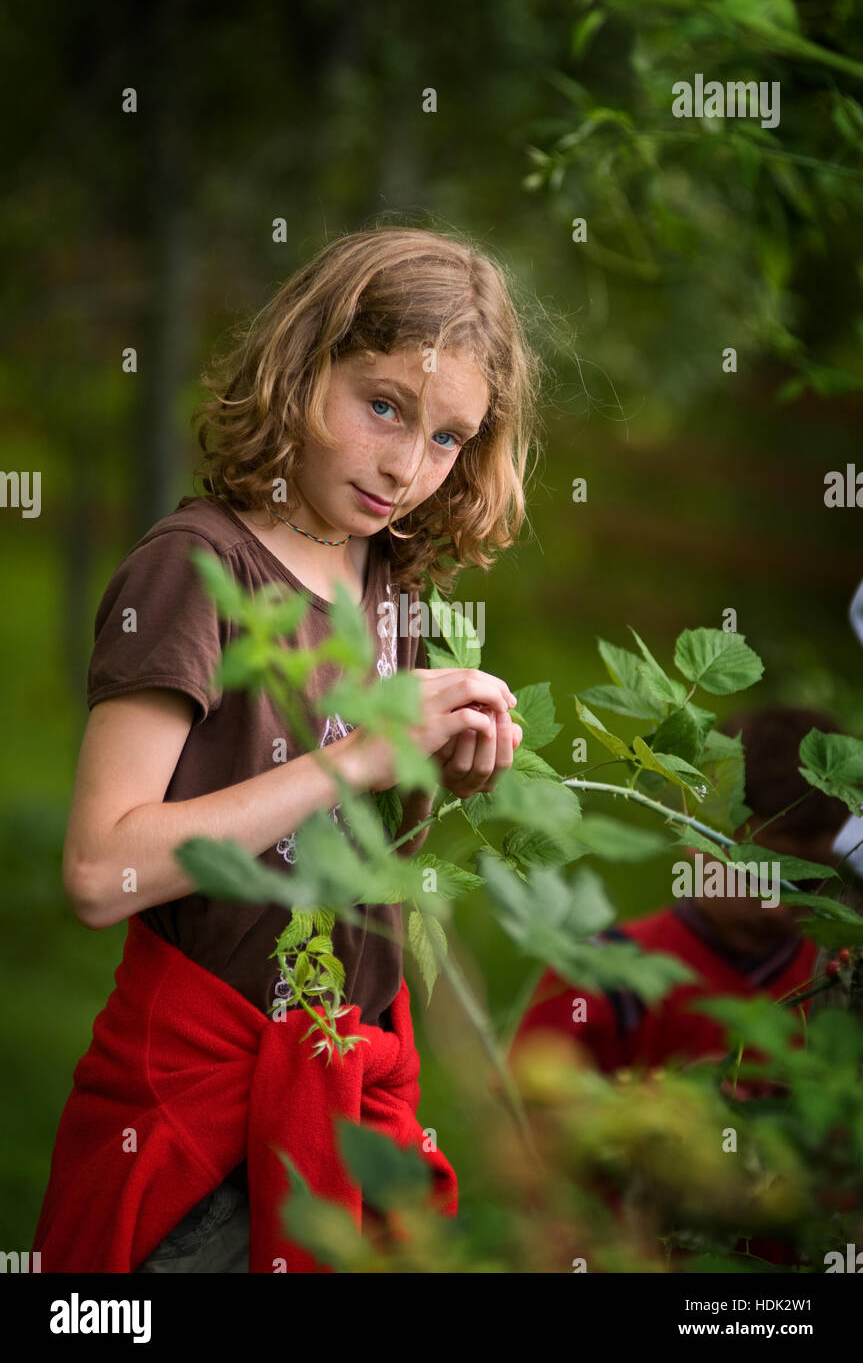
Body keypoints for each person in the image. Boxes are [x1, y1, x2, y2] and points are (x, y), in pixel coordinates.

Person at [32, 223, 542, 1273]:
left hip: (342, 1104)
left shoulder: (387, 580)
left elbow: (324, 845)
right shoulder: (195, 571)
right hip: (196, 1130)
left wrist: (434, 762)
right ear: (303, 367)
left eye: (447, 438)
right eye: (383, 406)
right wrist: (358, 753)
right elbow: (96, 869)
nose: (406, 467)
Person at [511, 706, 854, 1077]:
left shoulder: (841, 984)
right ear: (695, 830)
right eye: (756, 876)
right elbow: (521, 1115)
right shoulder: (601, 977)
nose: (775, 907)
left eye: (804, 883)